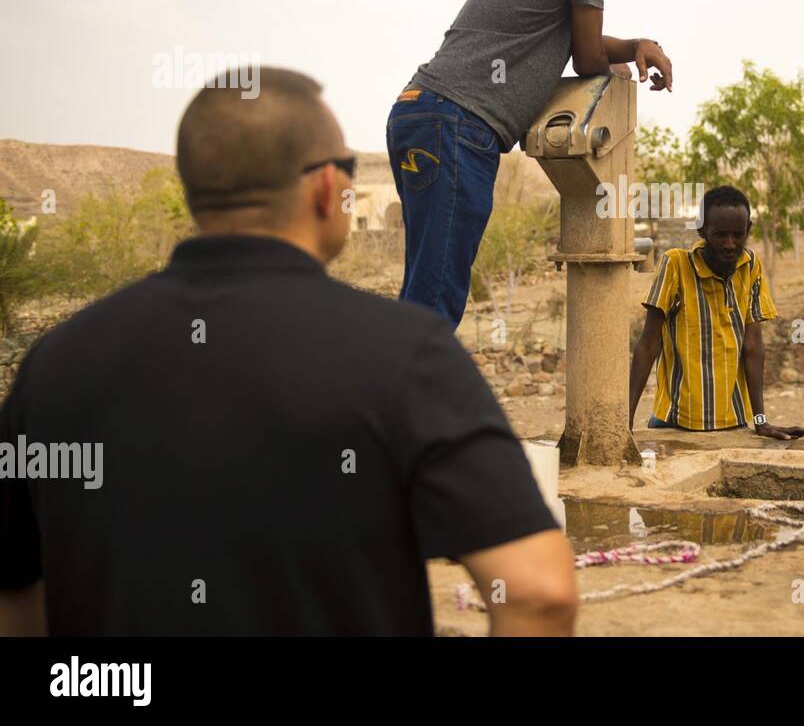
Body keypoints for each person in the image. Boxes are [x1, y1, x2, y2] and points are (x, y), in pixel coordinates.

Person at [0, 68, 577, 636]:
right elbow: (538, 595)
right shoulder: (406, 353)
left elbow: (16, 600)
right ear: (328, 188)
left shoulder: (55, 364)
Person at [390, 0, 676, 328]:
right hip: (457, 121)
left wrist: (635, 46)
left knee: (426, 285)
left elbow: (575, 39)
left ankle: (388, 391)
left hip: (424, 112)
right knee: (436, 299)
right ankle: (401, 395)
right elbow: (585, 55)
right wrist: (610, 63)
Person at [629, 186, 804, 440]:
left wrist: (761, 421)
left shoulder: (751, 266)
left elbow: (753, 345)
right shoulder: (676, 265)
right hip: (674, 422)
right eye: (720, 235)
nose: (730, 244)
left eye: (738, 235)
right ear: (702, 230)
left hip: (733, 422)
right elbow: (648, 345)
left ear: (748, 230)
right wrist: (623, 425)